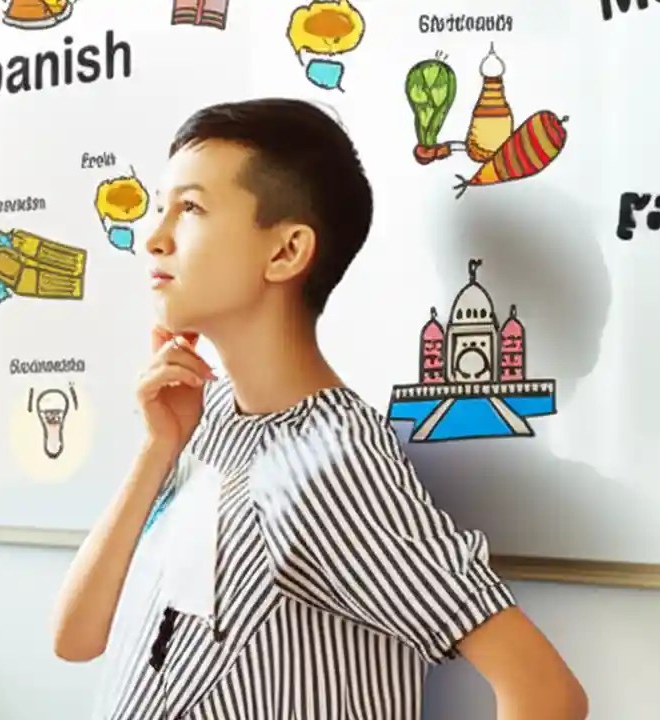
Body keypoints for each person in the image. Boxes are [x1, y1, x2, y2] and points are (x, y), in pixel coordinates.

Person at [50, 99, 588, 719]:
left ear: (286, 252)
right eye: (161, 205)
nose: (155, 236)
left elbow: (546, 694)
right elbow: (77, 637)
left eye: (191, 208)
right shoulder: (208, 416)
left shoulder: (335, 462)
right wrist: (158, 448)